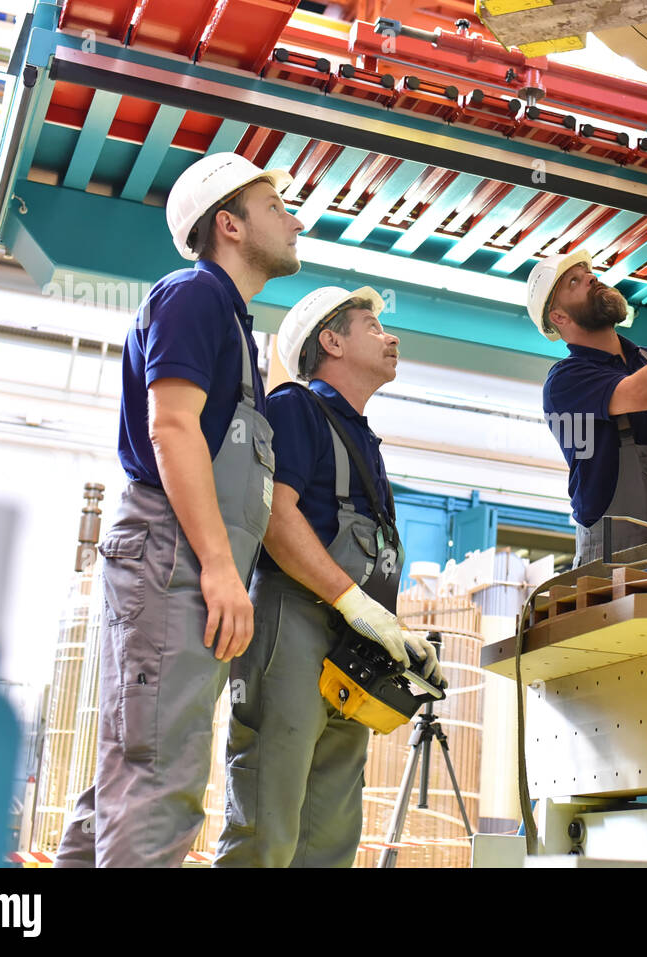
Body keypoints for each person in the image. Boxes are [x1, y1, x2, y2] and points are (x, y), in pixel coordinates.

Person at [54, 153, 304, 867]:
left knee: (128, 775)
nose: (294, 220)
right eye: (275, 207)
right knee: (160, 776)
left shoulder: (230, 321)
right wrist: (220, 567)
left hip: (181, 557)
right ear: (229, 224)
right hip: (175, 553)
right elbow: (172, 428)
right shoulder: (193, 297)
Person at [215, 285, 443, 868]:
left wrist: (396, 636)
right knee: (268, 823)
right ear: (331, 340)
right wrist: (350, 599)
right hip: (293, 627)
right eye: (372, 326)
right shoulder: (297, 409)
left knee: (331, 835)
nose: (390, 336)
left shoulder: (363, 437)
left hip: (352, 644)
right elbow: (275, 516)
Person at [528, 248, 647, 566]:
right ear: (559, 318)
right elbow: (641, 394)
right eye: (574, 281)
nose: (591, 278)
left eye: (590, 274)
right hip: (611, 553)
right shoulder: (566, 380)